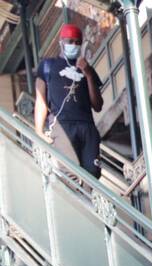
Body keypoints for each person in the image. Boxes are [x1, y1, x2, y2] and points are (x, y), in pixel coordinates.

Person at [33, 23, 103, 178]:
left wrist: (89, 74)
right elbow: (41, 100)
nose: (74, 45)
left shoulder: (86, 68)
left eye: (78, 42)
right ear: (61, 42)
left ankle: (87, 202)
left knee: (92, 173)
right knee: (69, 172)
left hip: (87, 126)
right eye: (70, 41)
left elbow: (98, 105)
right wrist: (38, 130)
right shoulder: (47, 66)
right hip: (62, 125)